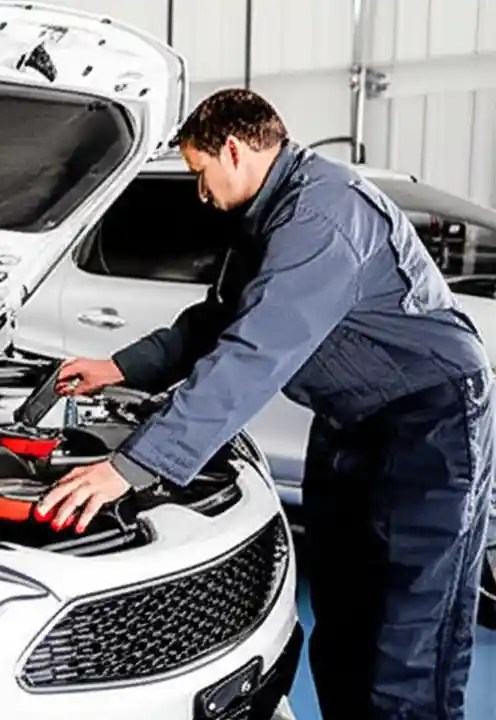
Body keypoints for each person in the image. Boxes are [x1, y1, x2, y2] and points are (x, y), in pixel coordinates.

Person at [36, 88, 494, 719]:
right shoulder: (264, 217)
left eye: (199, 175)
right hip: (350, 419)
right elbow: (219, 321)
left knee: (410, 635)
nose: (199, 192)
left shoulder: (324, 215)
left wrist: (129, 468)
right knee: (341, 626)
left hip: (431, 419)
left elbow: (254, 352)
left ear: (232, 149)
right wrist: (118, 367)